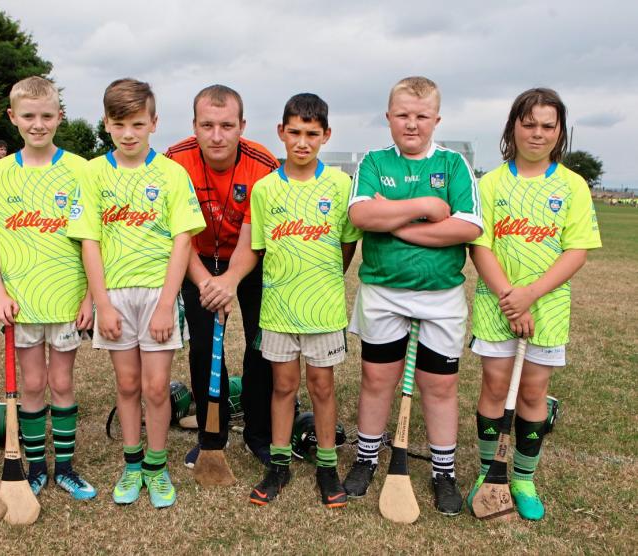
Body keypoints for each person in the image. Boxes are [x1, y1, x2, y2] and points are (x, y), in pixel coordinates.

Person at [346, 76, 483, 516]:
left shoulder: (455, 165)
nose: (411, 124)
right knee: (376, 379)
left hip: (440, 295)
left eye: (421, 116)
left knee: (439, 386)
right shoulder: (373, 160)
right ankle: (366, 458)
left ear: (436, 120)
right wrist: (424, 206)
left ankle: (443, 471)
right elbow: (362, 213)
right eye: (402, 115)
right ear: (388, 118)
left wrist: (396, 222)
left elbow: (466, 227)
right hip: (383, 291)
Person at [68, 78, 205, 508]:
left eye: (138, 124)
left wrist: (167, 305)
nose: (129, 133)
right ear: (106, 124)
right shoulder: (92, 173)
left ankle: (156, 466)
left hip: (157, 295)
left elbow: (183, 241)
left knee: (157, 387)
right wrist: (102, 302)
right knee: (127, 384)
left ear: (154, 123)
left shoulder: (171, 174)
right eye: (120, 124)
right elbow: (89, 241)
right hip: (115, 296)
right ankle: (132, 464)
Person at [467, 88, 601, 520]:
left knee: (533, 391)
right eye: (529, 124)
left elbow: (576, 251)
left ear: (560, 131)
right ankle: (490, 473)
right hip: (496, 303)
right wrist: (511, 297)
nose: (537, 133)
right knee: (494, 386)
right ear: (513, 127)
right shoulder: (490, 184)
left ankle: (523, 478)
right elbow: (479, 247)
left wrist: (529, 296)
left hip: (547, 306)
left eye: (548, 126)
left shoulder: (572, 186)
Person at [0, 76, 96, 500]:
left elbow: (94, 239)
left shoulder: (81, 169)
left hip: (65, 301)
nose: (38, 124)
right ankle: (36, 467)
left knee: (62, 382)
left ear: (60, 116)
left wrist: (89, 296)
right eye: (28, 116)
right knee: (32, 384)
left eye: (47, 115)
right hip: (20, 303)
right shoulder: (1, 172)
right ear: (13, 118)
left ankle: (65, 468)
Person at [246, 93, 360, 507]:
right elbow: (259, 248)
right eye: (294, 132)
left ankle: (328, 467)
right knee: (283, 386)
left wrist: (324, 282)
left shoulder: (341, 185)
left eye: (312, 133)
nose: (302, 142)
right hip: (277, 309)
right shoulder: (264, 190)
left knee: (322, 387)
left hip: (324, 309)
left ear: (326, 135)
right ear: (280, 132)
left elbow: (346, 249)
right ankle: (278, 465)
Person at [166, 85, 279, 467]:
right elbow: (177, 235)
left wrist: (230, 280)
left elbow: (259, 234)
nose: (217, 135)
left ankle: (258, 432)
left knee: (261, 344)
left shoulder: (262, 163)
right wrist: (205, 282)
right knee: (202, 346)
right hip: (195, 260)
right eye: (207, 125)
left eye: (227, 125)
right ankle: (211, 435)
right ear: (194, 125)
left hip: (248, 260)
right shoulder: (175, 161)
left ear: (242, 125)